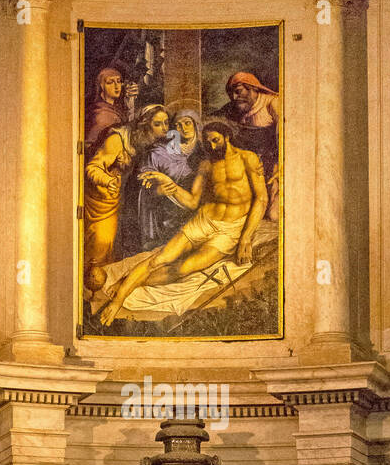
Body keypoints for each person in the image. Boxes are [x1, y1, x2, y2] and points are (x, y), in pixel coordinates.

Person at [98, 119, 266, 327]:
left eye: (215, 140)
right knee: (158, 260)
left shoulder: (247, 159)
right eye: (208, 143)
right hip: (203, 220)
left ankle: (129, 283)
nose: (212, 146)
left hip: (229, 231)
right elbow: (193, 201)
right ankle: (118, 300)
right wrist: (169, 183)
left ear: (227, 136)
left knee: (184, 267)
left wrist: (245, 239)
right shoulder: (206, 165)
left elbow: (261, 199)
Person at [83, 104, 171, 285]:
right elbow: (92, 168)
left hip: (127, 201)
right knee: (102, 243)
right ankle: (90, 287)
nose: (164, 129)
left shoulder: (151, 143)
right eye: (158, 124)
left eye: (166, 123)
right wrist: (107, 180)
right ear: (144, 125)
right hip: (104, 200)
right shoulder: (118, 140)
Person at [136, 109, 204, 247]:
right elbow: (143, 183)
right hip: (165, 216)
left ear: (196, 124)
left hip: (196, 212)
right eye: (178, 125)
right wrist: (157, 190)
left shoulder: (205, 150)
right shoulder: (159, 152)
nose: (183, 128)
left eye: (187, 123)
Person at [217, 71, 280, 217]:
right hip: (250, 163)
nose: (234, 98)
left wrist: (280, 164)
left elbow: (284, 135)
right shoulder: (237, 107)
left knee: (274, 215)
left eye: (238, 92)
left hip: (273, 162)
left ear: (253, 89)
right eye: (231, 94)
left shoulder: (272, 103)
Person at [85, 66, 139, 152]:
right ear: (101, 86)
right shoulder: (100, 114)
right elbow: (90, 146)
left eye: (119, 81)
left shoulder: (118, 108)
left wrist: (130, 105)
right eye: (110, 82)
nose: (117, 86)